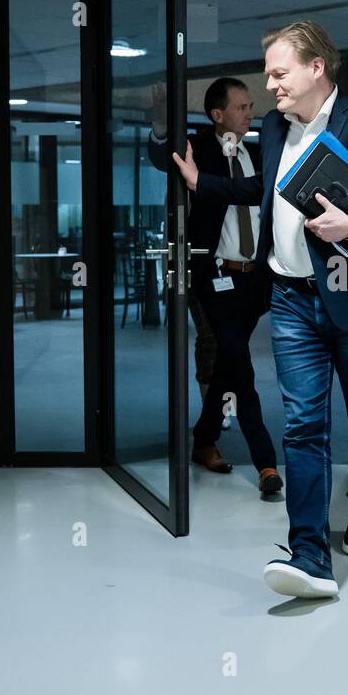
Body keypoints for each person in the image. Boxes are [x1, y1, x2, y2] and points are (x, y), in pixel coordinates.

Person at [170, 20, 348, 598]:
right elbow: (265, 189)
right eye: (267, 75)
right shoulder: (271, 126)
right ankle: (309, 553)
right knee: (305, 425)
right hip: (290, 299)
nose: (270, 86)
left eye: (279, 73)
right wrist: (202, 183)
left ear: (317, 68)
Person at [148, 78, 282, 496]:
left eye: (250, 106)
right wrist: (159, 121)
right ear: (217, 115)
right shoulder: (198, 150)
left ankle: (203, 439)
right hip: (214, 277)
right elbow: (159, 153)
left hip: (254, 278)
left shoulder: (260, 154)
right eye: (242, 107)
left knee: (228, 363)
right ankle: (266, 464)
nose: (250, 112)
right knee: (240, 366)